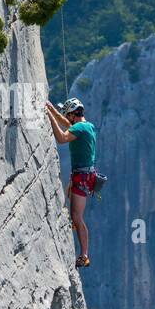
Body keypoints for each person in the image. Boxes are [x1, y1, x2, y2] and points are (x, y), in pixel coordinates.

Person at [45, 96, 97, 268]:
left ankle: (84, 255)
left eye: (68, 116)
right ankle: (80, 244)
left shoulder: (80, 128)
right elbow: (68, 125)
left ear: (73, 115)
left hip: (81, 178)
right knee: (73, 211)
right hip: (84, 177)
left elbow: (61, 138)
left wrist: (48, 115)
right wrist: (52, 109)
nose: (67, 119)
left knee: (77, 216)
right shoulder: (87, 126)